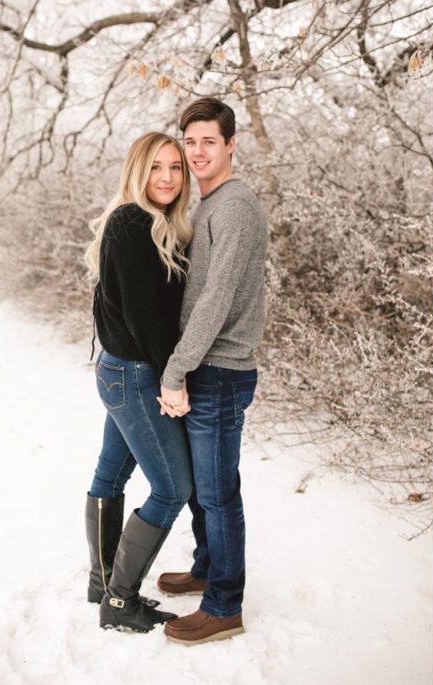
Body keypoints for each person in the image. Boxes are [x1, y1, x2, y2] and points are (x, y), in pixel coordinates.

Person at [154, 98, 269, 645]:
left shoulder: (235, 206)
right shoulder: (206, 206)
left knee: (219, 493)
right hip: (205, 368)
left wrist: (175, 371)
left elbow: (217, 298)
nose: (197, 152)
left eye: (208, 141)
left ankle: (224, 605)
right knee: (205, 489)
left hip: (219, 370)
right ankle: (205, 569)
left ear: (230, 145)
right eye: (190, 141)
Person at [84, 132, 194, 633]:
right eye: (156, 168)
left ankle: (102, 579)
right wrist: (172, 381)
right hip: (134, 374)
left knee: (111, 474)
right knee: (172, 489)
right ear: (137, 171)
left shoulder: (149, 223)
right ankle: (121, 601)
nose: (168, 177)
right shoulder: (133, 222)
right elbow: (146, 317)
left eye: (175, 167)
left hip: (117, 370)